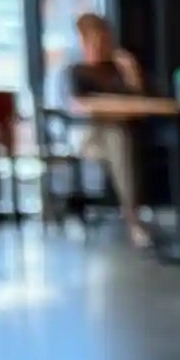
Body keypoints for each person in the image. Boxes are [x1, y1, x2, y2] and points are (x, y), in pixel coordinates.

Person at [68, 13, 152, 247]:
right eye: (95, 41)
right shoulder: (77, 72)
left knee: (126, 137)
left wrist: (132, 73)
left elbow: (141, 101)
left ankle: (142, 211)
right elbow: (85, 107)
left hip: (129, 130)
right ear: (84, 42)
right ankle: (134, 217)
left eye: (105, 40)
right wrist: (119, 109)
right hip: (91, 136)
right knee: (119, 137)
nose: (102, 46)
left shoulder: (118, 70)